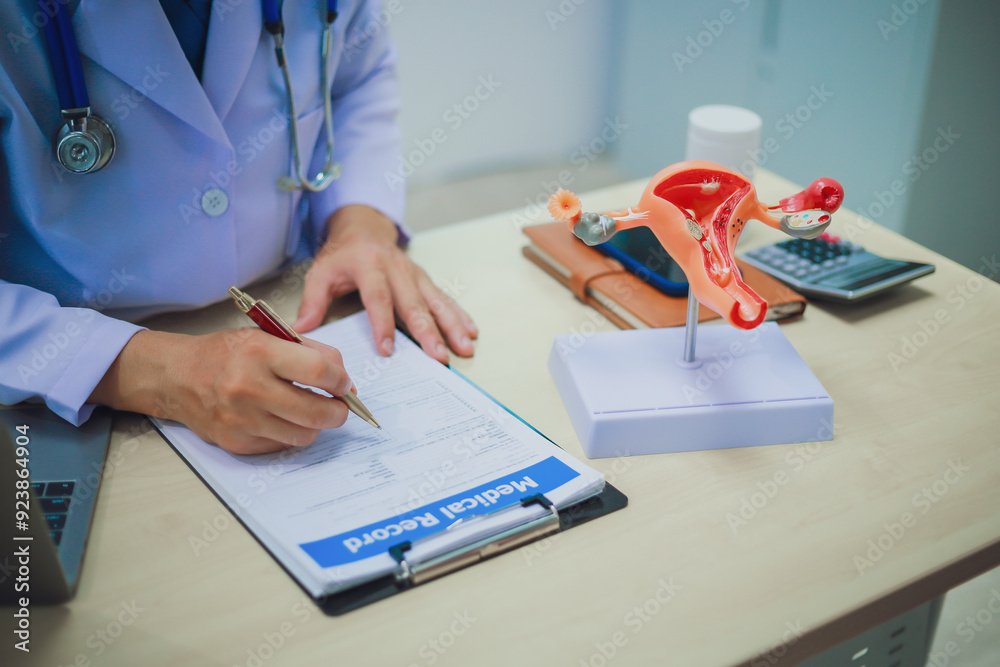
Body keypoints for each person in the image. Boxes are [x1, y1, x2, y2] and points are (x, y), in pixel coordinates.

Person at [0, 0, 477, 454]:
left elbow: (356, 77)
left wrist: (360, 221)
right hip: (64, 377)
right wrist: (158, 373)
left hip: (292, 293)